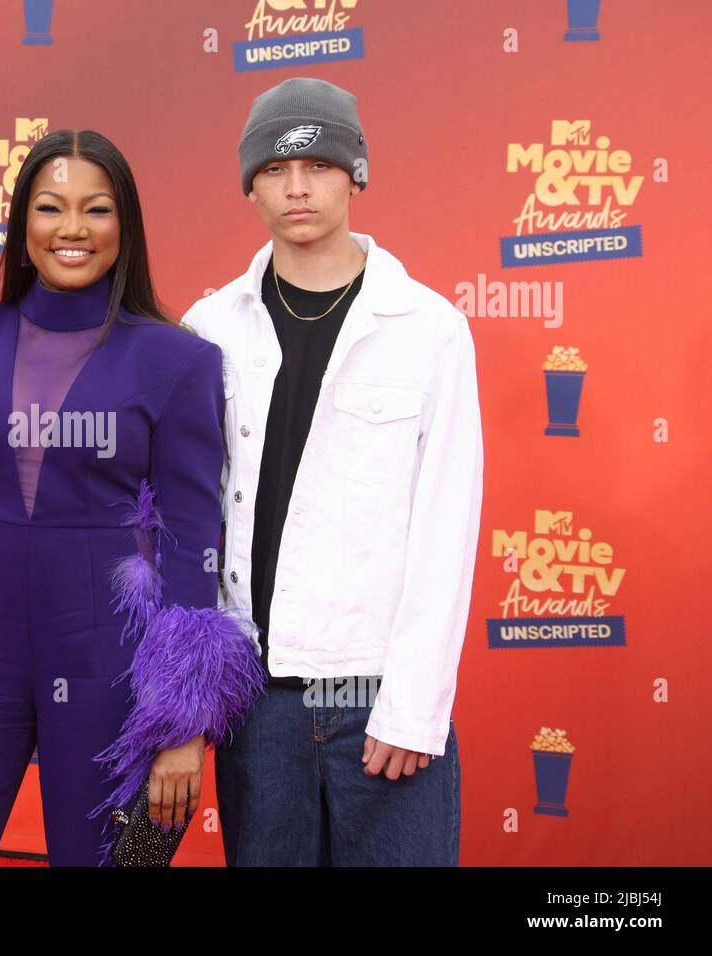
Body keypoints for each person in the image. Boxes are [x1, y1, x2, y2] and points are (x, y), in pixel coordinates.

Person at [0, 129, 265, 866]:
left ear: (123, 225)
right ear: (21, 224)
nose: (72, 229)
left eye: (95, 209)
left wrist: (183, 723)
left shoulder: (181, 359)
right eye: (50, 207)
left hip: (117, 677)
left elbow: (196, 542)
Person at [182, 77, 483, 866]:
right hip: (258, 701)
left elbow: (446, 524)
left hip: (379, 696)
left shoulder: (429, 329)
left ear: (354, 173)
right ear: (251, 185)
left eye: (317, 164)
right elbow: (191, 514)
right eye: (276, 170)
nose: (297, 187)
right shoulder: (210, 326)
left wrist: (413, 708)